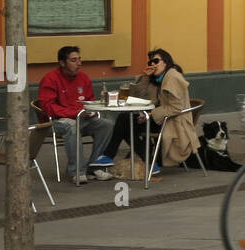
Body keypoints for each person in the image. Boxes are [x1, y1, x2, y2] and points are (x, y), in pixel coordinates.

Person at [99, 49, 197, 177]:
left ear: (166, 62)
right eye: (150, 62)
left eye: (156, 61)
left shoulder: (172, 76)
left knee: (126, 123)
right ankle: (147, 163)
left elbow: (175, 107)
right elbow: (137, 97)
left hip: (171, 121)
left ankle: (109, 156)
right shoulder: (155, 79)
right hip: (157, 118)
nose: (153, 64)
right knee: (126, 120)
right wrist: (145, 77)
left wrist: (151, 115)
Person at [37, 45, 115, 184]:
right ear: (62, 63)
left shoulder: (84, 78)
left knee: (106, 124)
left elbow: (89, 101)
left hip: (81, 118)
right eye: (74, 60)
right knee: (71, 125)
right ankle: (77, 171)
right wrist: (75, 113)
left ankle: (94, 166)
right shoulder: (50, 79)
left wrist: (92, 110)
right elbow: (48, 107)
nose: (79, 64)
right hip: (55, 122)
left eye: (79, 59)